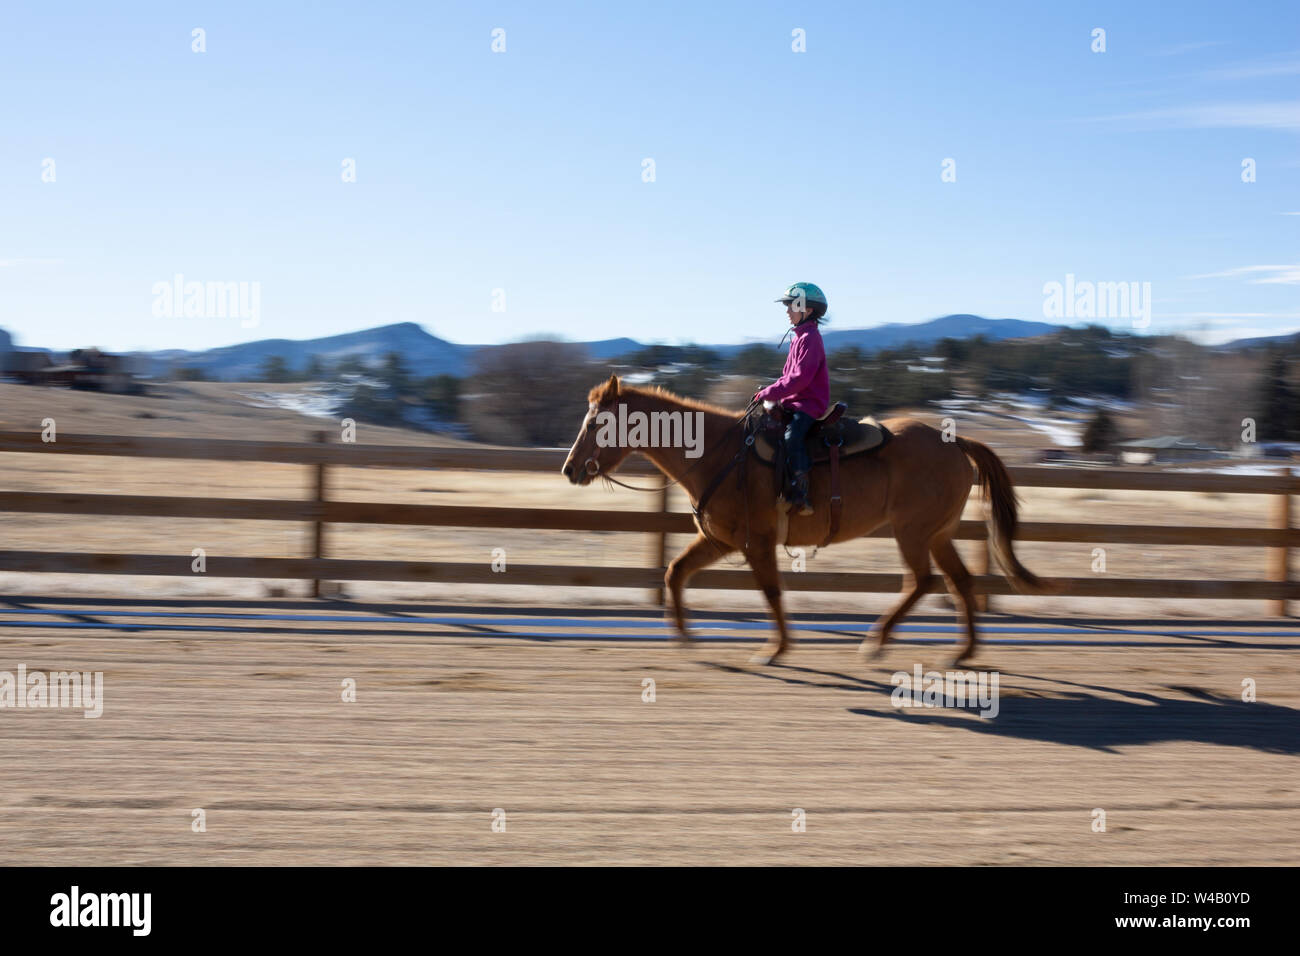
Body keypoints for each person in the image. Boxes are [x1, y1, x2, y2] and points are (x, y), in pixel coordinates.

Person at [754, 282, 830, 515]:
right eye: (787, 306)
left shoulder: (810, 338)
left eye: (791, 306)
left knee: (792, 437)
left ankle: (800, 492)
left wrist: (768, 393)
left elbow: (799, 379)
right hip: (794, 401)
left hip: (808, 404)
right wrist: (770, 392)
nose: (787, 311)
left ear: (807, 311)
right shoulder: (799, 336)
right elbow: (787, 378)